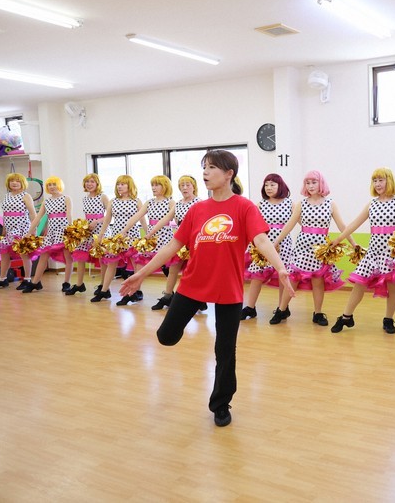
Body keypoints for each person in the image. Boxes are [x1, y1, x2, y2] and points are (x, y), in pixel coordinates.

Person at [120, 149, 294, 427]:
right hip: (192, 284)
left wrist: (281, 267)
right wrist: (140, 274)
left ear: (229, 174)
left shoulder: (244, 207)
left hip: (228, 288)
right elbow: (172, 245)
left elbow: (261, 241)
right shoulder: (197, 210)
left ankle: (221, 404)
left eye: (212, 168)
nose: (205, 173)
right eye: (204, 167)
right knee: (165, 337)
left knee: (225, 350)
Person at [328, 168, 395, 334]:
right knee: (359, 283)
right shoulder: (372, 204)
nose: (377, 184)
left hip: (392, 253)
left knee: (393, 286)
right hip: (373, 252)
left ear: (389, 181)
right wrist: (338, 239)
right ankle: (346, 316)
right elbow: (354, 224)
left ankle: (388, 319)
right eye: (375, 181)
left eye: (381, 180)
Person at [270, 170, 356, 326]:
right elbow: (289, 225)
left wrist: (354, 243)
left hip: (320, 249)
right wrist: (276, 242)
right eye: (307, 183)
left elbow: (342, 226)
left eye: (314, 182)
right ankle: (282, 310)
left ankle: (318, 313)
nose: (310, 186)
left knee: (318, 281)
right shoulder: (301, 204)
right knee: (293, 278)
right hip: (302, 246)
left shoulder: (330, 204)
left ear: (321, 183)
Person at [240, 173, 293, 320]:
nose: (268, 188)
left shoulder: (289, 203)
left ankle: (282, 308)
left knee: (282, 275)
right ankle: (250, 307)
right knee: (257, 275)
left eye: (272, 185)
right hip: (262, 243)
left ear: (280, 186)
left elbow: (301, 222)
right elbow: (250, 224)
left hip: (283, 245)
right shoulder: (260, 204)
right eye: (266, 185)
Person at [120, 175, 176, 307]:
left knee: (167, 268)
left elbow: (173, 219)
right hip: (150, 239)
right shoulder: (149, 202)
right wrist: (124, 230)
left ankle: (170, 294)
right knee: (139, 265)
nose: (154, 188)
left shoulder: (170, 202)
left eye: (157, 185)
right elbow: (136, 217)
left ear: (165, 186)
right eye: (153, 185)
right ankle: (134, 293)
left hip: (165, 237)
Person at [90, 175, 143, 302]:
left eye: (123, 184)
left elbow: (142, 219)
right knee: (111, 263)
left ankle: (137, 291)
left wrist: (147, 235)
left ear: (129, 185)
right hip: (116, 236)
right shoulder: (113, 201)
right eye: (118, 184)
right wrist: (101, 236)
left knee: (136, 264)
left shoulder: (137, 201)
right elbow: (107, 220)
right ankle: (104, 291)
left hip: (132, 236)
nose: (120, 186)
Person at [152, 175, 201, 310]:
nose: (184, 188)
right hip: (180, 241)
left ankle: (197, 299)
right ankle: (167, 296)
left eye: (188, 185)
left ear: (194, 187)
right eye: (182, 185)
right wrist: (152, 232)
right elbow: (166, 219)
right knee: (173, 269)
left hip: (195, 242)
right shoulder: (178, 203)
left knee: (194, 271)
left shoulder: (199, 202)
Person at [22, 176, 73, 293]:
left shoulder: (66, 198)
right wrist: (29, 232)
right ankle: (35, 282)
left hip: (63, 230)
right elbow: (38, 218)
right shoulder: (46, 201)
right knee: (43, 256)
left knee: (67, 257)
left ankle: (66, 283)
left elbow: (69, 214)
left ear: (59, 185)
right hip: (51, 232)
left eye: (54, 184)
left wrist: (70, 230)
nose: (52, 187)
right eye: (49, 185)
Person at [0, 173, 36, 290]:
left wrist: (33, 229)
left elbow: (32, 214)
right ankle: (2, 279)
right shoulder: (6, 196)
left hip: (22, 228)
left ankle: (27, 280)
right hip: (9, 229)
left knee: (24, 255)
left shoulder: (26, 196)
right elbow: (5, 214)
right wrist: (4, 230)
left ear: (22, 183)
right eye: (12, 181)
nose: (14, 183)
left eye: (17, 181)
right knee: (4, 254)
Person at [66, 173, 109, 295]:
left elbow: (109, 216)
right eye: (87, 182)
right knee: (80, 255)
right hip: (88, 231)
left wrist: (97, 221)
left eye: (92, 182)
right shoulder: (85, 198)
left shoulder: (103, 197)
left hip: (101, 230)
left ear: (97, 184)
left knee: (102, 258)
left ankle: (103, 285)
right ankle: (79, 284)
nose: (89, 184)